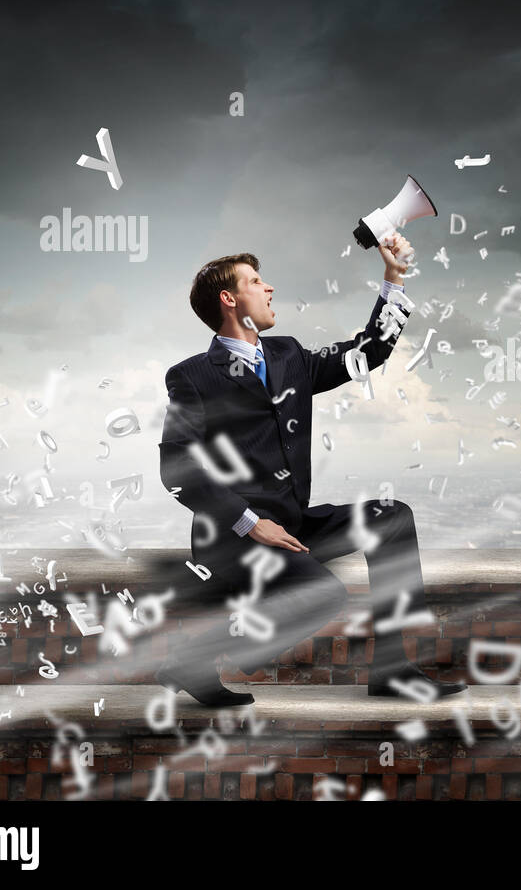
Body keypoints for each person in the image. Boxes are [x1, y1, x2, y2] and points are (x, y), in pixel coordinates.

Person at [156, 234, 465, 706]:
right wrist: (249, 522)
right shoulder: (192, 375)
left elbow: (369, 351)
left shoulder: (289, 356)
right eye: (256, 281)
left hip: (293, 525)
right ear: (229, 299)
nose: (270, 288)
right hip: (235, 540)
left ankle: (392, 671)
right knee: (324, 596)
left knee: (392, 516)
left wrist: (394, 277)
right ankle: (195, 660)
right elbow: (175, 467)